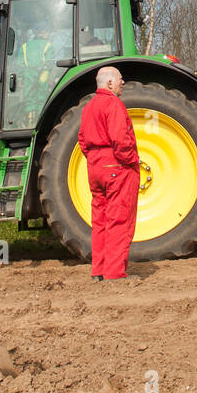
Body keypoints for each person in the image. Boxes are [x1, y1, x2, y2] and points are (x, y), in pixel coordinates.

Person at [77, 66, 139, 280]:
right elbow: (121, 140)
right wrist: (132, 161)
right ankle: (114, 272)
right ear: (110, 83)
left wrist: (96, 160)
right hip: (116, 166)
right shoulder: (113, 104)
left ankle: (99, 270)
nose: (123, 83)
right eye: (121, 79)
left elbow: (82, 140)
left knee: (100, 220)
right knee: (119, 219)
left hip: (95, 168)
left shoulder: (88, 107)